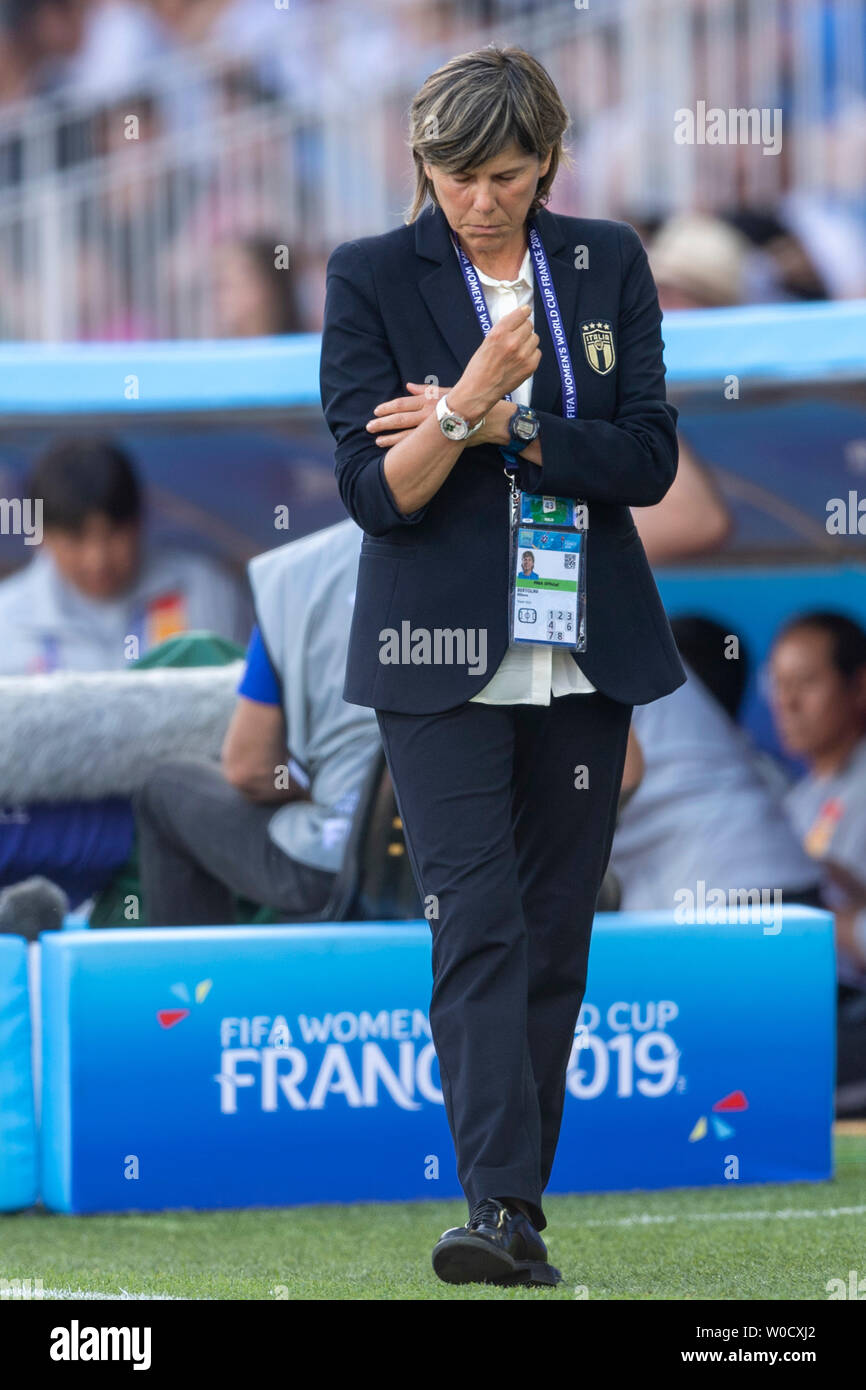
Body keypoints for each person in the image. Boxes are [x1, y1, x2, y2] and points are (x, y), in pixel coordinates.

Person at [319, 44, 686, 1288]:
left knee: (552, 939)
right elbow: (380, 496)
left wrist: (498, 425)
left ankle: (511, 1214)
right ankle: (494, 1208)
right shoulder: (368, 275)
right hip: (434, 656)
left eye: (505, 174)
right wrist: (471, 397)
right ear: (419, 167)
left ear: (548, 166)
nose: (477, 198)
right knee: (471, 923)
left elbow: (644, 461)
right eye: (453, 173)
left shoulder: (606, 262)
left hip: (584, 645)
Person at [133, 519, 381, 925]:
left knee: (164, 790)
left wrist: (322, 791)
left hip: (329, 861)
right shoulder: (508, 555)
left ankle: (198, 987)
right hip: (464, 860)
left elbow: (249, 768)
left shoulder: (294, 576)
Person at [0, 435, 248, 674]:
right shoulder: (7, 620)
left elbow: (254, 706)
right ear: (41, 536)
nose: (97, 559)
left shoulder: (207, 593)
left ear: (139, 522)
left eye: (113, 534)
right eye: (76, 539)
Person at [768, 611, 866, 979]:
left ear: (859, 686)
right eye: (779, 683)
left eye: (806, 682)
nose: (786, 702)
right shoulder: (795, 800)